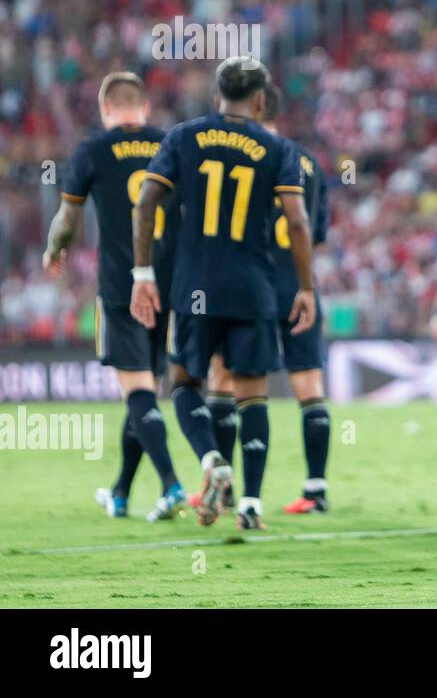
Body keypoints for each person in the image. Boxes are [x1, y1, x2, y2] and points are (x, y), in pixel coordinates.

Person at [130, 57, 316, 531]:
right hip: (254, 287)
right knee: (253, 395)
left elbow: (147, 200)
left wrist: (143, 273)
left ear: (217, 96)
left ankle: (213, 459)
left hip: (194, 284)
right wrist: (307, 288)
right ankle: (251, 505)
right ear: (260, 100)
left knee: (183, 383)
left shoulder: (184, 136)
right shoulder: (276, 148)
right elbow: (296, 221)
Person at [44, 72, 184, 521]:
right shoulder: (170, 144)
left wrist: (54, 250)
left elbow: (68, 218)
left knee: (138, 391)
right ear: (143, 107)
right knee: (143, 391)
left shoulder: (92, 150)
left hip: (122, 287)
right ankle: (121, 492)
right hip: (171, 286)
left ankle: (172, 485)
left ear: (107, 110)